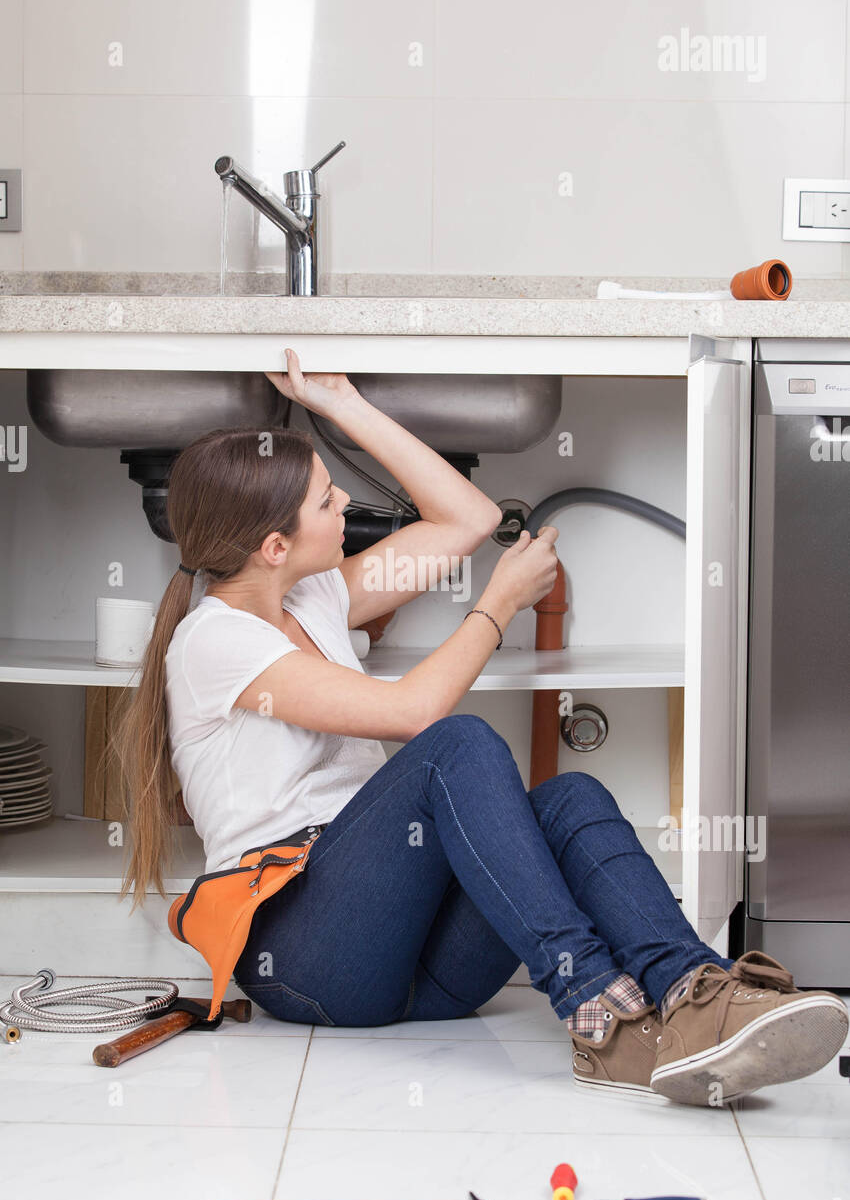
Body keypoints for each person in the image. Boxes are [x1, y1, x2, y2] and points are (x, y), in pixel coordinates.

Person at [112, 349, 848, 1109]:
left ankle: (698, 996)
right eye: (330, 505)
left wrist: (341, 404)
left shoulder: (311, 599)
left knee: (570, 800)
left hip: (411, 964)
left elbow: (469, 519)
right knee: (454, 746)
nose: (347, 515)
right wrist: (494, 608)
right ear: (274, 548)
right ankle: (599, 1014)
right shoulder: (214, 641)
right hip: (309, 961)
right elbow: (414, 717)